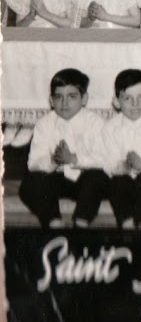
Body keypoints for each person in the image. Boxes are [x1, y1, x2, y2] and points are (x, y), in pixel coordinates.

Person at [19, 68, 109, 227]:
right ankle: (54, 223)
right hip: (57, 179)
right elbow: (33, 163)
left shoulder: (96, 123)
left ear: (84, 99)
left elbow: (104, 158)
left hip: (85, 180)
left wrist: (74, 159)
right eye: (58, 97)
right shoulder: (44, 124)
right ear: (51, 101)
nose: (64, 103)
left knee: (98, 177)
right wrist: (54, 160)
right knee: (30, 183)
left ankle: (81, 222)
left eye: (72, 97)